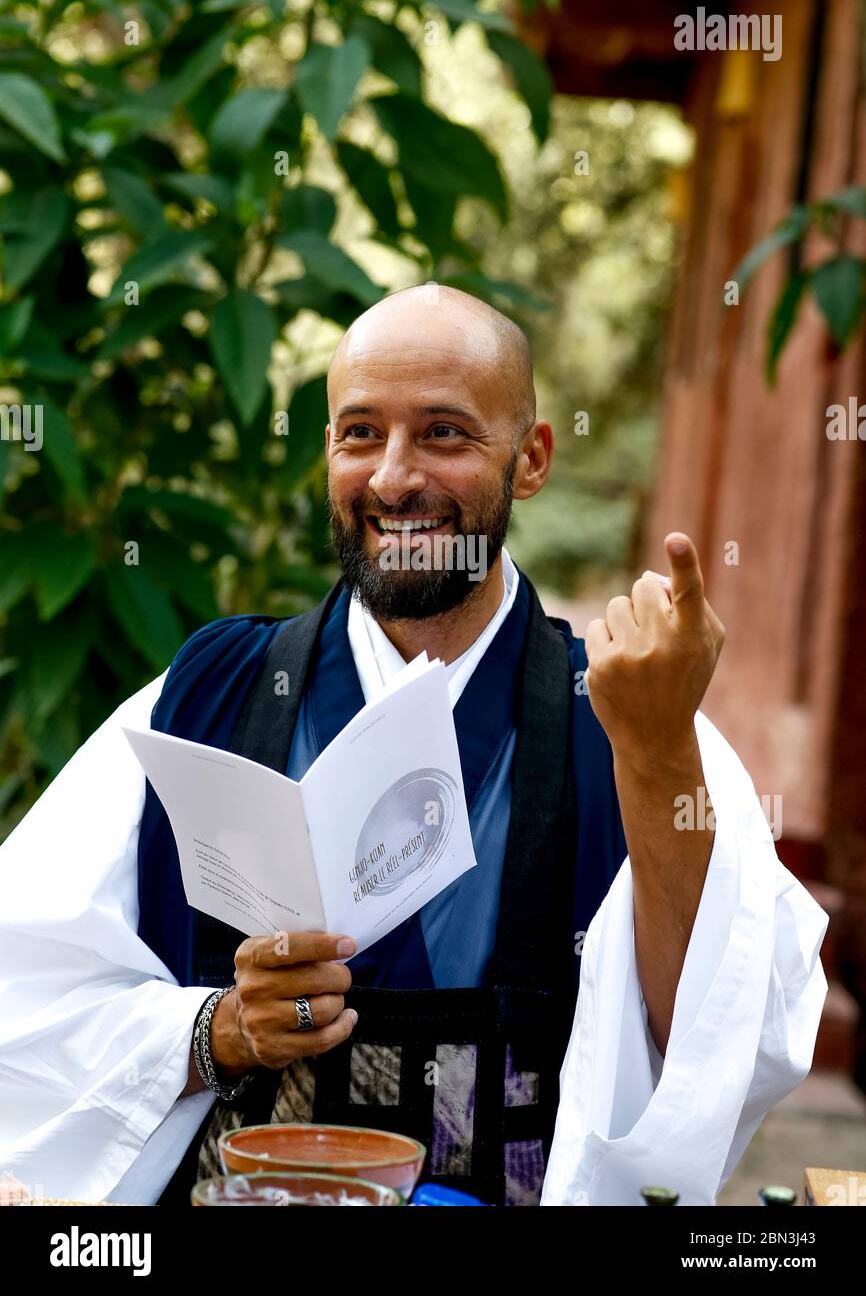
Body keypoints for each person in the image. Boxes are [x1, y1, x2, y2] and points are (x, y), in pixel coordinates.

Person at [0, 286, 827, 1207]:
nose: (393, 479)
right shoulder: (214, 692)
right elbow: (21, 979)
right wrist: (220, 1029)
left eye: (443, 433)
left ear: (531, 459)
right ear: (327, 452)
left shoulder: (632, 718)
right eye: (360, 433)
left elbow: (723, 1044)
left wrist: (659, 753)